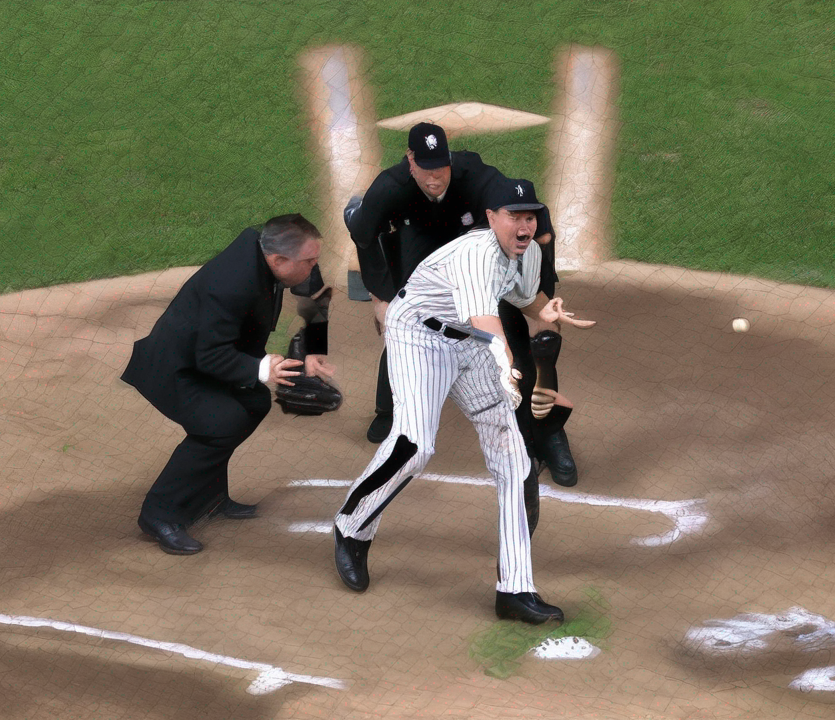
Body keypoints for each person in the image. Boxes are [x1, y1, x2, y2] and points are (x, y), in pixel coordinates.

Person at [332, 178, 595, 624]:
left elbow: (522, 297)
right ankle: (351, 527)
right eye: (515, 216)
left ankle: (514, 590)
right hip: (419, 336)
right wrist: (508, 366)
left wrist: (544, 310)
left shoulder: (526, 253)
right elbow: (488, 323)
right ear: (491, 218)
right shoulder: (475, 253)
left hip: (469, 344)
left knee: (516, 461)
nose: (524, 224)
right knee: (416, 445)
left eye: (530, 216)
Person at [344, 123, 582, 492]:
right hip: (421, 248)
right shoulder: (390, 188)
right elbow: (363, 236)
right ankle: (388, 410)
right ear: (410, 161)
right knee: (406, 323)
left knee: (518, 344)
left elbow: (535, 222)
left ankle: (545, 432)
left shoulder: (474, 176)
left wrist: (541, 300)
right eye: (425, 168)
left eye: (441, 166)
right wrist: (381, 299)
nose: (435, 176)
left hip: (473, 246)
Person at [122, 214, 335, 555]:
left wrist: (314, 348)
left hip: (213, 360)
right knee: (220, 423)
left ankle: (209, 496)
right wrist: (262, 368)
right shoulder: (232, 282)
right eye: (309, 262)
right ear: (278, 260)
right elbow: (210, 355)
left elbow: (316, 293)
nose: (314, 268)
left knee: (254, 404)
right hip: (177, 367)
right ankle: (157, 514)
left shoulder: (278, 255)